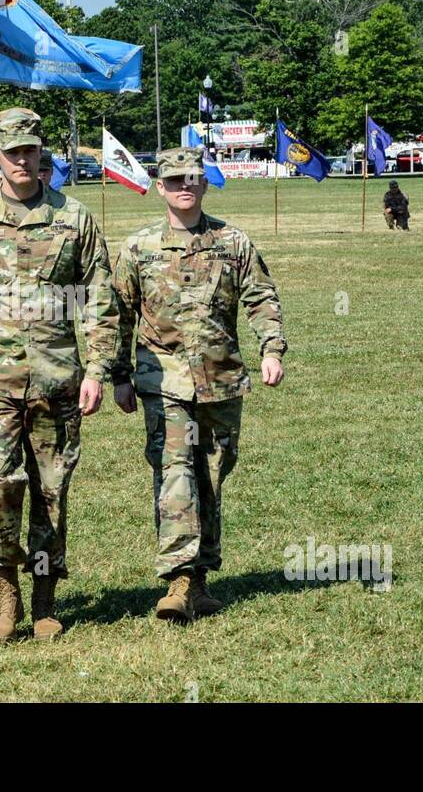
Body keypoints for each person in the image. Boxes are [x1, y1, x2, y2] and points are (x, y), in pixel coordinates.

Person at [0, 107, 118, 644]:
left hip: (58, 379)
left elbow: (100, 300)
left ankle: (43, 599)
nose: (21, 160)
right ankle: (4, 591)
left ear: (40, 153)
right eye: (11, 152)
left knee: (51, 492)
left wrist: (98, 368)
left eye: (29, 150)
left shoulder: (74, 217)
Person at [112, 147, 286, 622]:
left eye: (192, 178)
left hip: (221, 379)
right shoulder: (139, 246)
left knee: (211, 473)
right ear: (159, 187)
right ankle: (178, 580)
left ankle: (202, 577)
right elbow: (119, 314)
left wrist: (272, 349)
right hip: (162, 379)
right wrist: (119, 376)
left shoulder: (233, 242)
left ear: (204, 184)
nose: (184, 186)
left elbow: (261, 297)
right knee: (175, 472)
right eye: (173, 180)